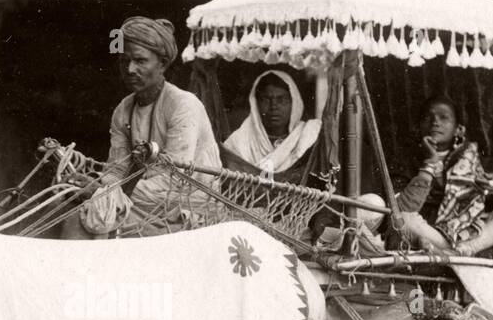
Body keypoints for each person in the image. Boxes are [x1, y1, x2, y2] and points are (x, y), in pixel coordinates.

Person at [75, 16, 221, 236]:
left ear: (162, 64)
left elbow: (175, 180)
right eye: (124, 62)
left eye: (140, 60)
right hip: (143, 203)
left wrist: (104, 193)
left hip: (189, 210)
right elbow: (117, 168)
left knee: (91, 223)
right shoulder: (123, 110)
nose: (130, 69)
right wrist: (100, 187)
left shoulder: (183, 105)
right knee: (78, 210)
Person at [365, 94, 493, 257]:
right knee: (404, 219)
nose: (435, 122)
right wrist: (429, 165)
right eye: (428, 118)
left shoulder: (477, 161)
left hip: (469, 239)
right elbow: (400, 210)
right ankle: (453, 253)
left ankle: (462, 251)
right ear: (419, 126)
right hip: (429, 235)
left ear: (459, 129)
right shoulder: (406, 160)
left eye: (444, 118)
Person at [221, 69, 321, 179]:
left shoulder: (306, 137)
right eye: (266, 99)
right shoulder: (238, 142)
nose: (274, 106)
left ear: (295, 102)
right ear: (255, 103)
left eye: (281, 100)